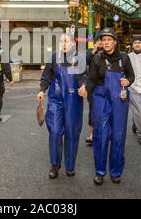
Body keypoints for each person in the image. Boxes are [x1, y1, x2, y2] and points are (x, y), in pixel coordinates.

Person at [88, 28, 135, 186]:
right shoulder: (97, 59)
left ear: (115, 41)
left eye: (109, 39)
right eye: (103, 40)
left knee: (118, 135)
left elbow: (131, 76)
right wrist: (84, 89)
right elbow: (92, 80)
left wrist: (128, 81)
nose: (106, 42)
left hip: (119, 100)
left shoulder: (124, 58)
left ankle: (115, 172)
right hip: (101, 98)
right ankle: (100, 172)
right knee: (100, 135)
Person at [37, 33, 87, 179]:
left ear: (73, 44)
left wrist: (83, 86)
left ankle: (70, 166)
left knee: (72, 133)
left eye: (66, 41)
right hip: (55, 99)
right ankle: (55, 164)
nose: (64, 44)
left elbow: (83, 76)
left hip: (73, 101)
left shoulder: (79, 58)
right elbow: (47, 76)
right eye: (61, 42)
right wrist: (42, 90)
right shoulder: (54, 57)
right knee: (55, 131)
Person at [85, 30, 104, 146]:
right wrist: (95, 49)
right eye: (99, 41)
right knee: (93, 110)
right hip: (92, 86)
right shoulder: (91, 52)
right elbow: (85, 61)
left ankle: (104, 133)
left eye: (103, 40)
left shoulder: (109, 52)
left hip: (106, 85)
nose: (102, 43)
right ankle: (92, 135)